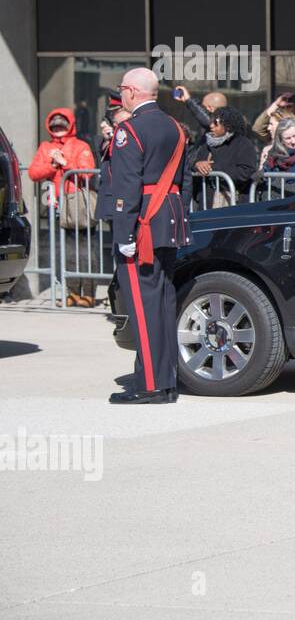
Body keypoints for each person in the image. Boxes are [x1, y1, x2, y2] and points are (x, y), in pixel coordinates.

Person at [108, 68, 191, 404]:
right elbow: (183, 182)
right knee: (164, 302)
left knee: (144, 308)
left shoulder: (130, 130)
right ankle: (166, 380)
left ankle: (152, 387)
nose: (121, 94)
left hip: (142, 224)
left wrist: (124, 231)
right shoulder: (175, 127)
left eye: (122, 90)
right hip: (169, 221)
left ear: (131, 91)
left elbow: (127, 187)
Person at [29, 107, 97, 306]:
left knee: (85, 250)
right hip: (57, 206)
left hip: (79, 205)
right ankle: (73, 293)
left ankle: (89, 294)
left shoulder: (80, 145)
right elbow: (34, 172)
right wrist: (52, 166)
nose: (58, 128)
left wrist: (64, 162)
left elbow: (87, 173)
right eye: (54, 125)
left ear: (70, 125)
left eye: (62, 125)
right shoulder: (45, 147)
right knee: (65, 251)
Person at [192, 106, 259, 199]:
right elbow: (193, 162)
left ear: (228, 125)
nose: (211, 125)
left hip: (234, 200)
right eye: (211, 122)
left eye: (216, 123)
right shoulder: (207, 143)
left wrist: (214, 169)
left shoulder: (243, 143)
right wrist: (197, 164)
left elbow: (246, 171)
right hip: (208, 199)